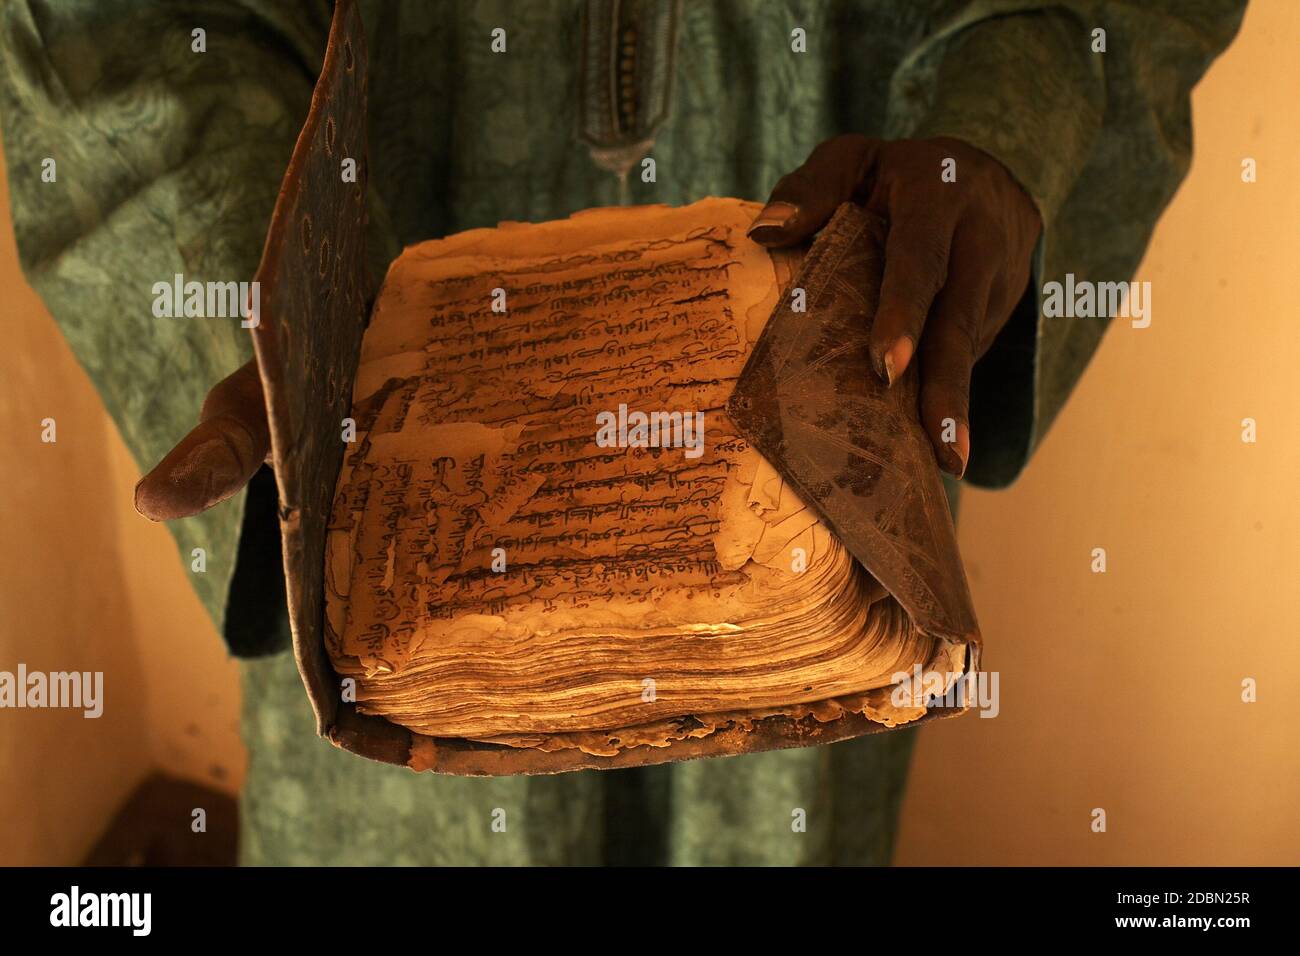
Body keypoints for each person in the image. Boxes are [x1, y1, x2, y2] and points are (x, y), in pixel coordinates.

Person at [0, 0, 1245, 865]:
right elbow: (116, 35)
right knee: (427, 736)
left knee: (785, 714)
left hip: (836, 316)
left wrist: (1007, 124)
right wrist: (274, 300)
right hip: (374, 438)